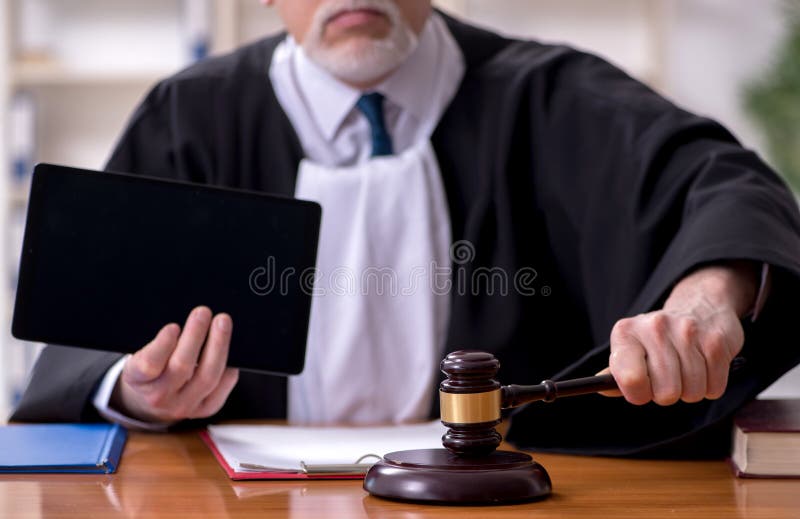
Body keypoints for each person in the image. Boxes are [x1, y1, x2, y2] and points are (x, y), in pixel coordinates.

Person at [11, 0, 800, 457]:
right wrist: (143, 393)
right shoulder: (190, 118)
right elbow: (84, 345)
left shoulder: (552, 97)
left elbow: (726, 187)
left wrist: (707, 292)